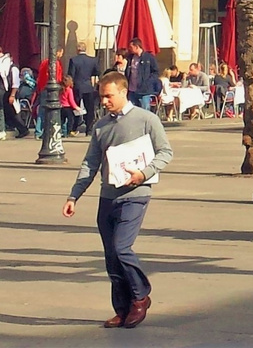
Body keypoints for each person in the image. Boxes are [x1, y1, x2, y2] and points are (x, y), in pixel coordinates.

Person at [65, 70, 175, 327]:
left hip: (135, 194)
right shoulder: (101, 126)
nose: (104, 101)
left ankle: (140, 296)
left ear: (123, 92)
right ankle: (122, 308)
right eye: (102, 97)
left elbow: (166, 153)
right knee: (111, 257)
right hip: (108, 195)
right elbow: (90, 164)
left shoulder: (147, 120)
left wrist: (143, 173)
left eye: (108, 96)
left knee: (122, 248)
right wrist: (74, 196)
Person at [124, 42, 161, 113]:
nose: (129, 49)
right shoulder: (130, 58)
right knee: (131, 111)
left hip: (144, 90)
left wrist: (148, 81)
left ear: (137, 47)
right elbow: (128, 72)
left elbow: (156, 71)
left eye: (131, 47)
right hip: (132, 90)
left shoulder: (149, 57)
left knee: (144, 110)